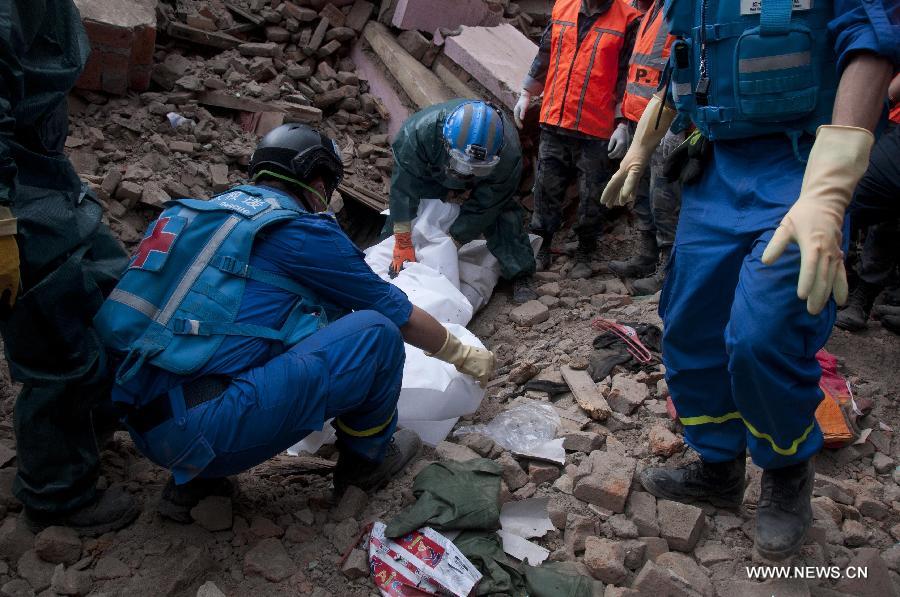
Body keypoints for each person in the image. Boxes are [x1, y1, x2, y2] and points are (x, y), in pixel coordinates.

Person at [601, 0, 898, 561]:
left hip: (801, 167)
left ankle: (786, 471)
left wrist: (830, 187)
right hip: (715, 169)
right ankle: (718, 467)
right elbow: (687, 66)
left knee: (763, 334)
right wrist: (643, 142)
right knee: (690, 328)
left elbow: (873, 40)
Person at [92, 124, 495, 520]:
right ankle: (365, 465)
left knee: (264, 327)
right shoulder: (300, 230)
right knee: (375, 334)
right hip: (203, 431)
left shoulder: (201, 216)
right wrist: (459, 352)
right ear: (317, 180)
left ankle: (194, 484)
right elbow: (398, 314)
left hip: (136, 413)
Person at [0, 0, 139, 535]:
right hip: (14, 199)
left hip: (41, 179)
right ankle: (58, 496)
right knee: (58, 349)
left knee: (113, 291)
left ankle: (93, 420)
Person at [514, 0, 641, 279]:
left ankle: (585, 248)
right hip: (556, 117)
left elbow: (627, 76)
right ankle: (541, 244)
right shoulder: (564, 7)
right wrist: (527, 92)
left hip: (596, 126)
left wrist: (622, 123)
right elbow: (545, 53)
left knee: (592, 194)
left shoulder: (628, 19)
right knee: (545, 186)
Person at [385, 100, 538, 304]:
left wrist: (456, 238)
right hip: (436, 166)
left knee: (501, 212)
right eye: (462, 165)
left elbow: (488, 203)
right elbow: (403, 190)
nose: (466, 172)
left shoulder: (508, 154)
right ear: (445, 140)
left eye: (475, 168)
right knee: (412, 212)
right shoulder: (418, 134)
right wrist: (402, 238)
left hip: (486, 174)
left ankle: (520, 270)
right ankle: (387, 251)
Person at [607, 0, 683, 295]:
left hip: (666, 124)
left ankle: (668, 268)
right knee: (641, 195)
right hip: (639, 120)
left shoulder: (676, 10)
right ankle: (646, 254)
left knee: (664, 199)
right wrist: (624, 122)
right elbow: (637, 73)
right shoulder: (648, 10)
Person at [836, 73, 900, 332]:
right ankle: (850, 287)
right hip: (883, 121)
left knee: (851, 201)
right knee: (847, 201)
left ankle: (861, 294)